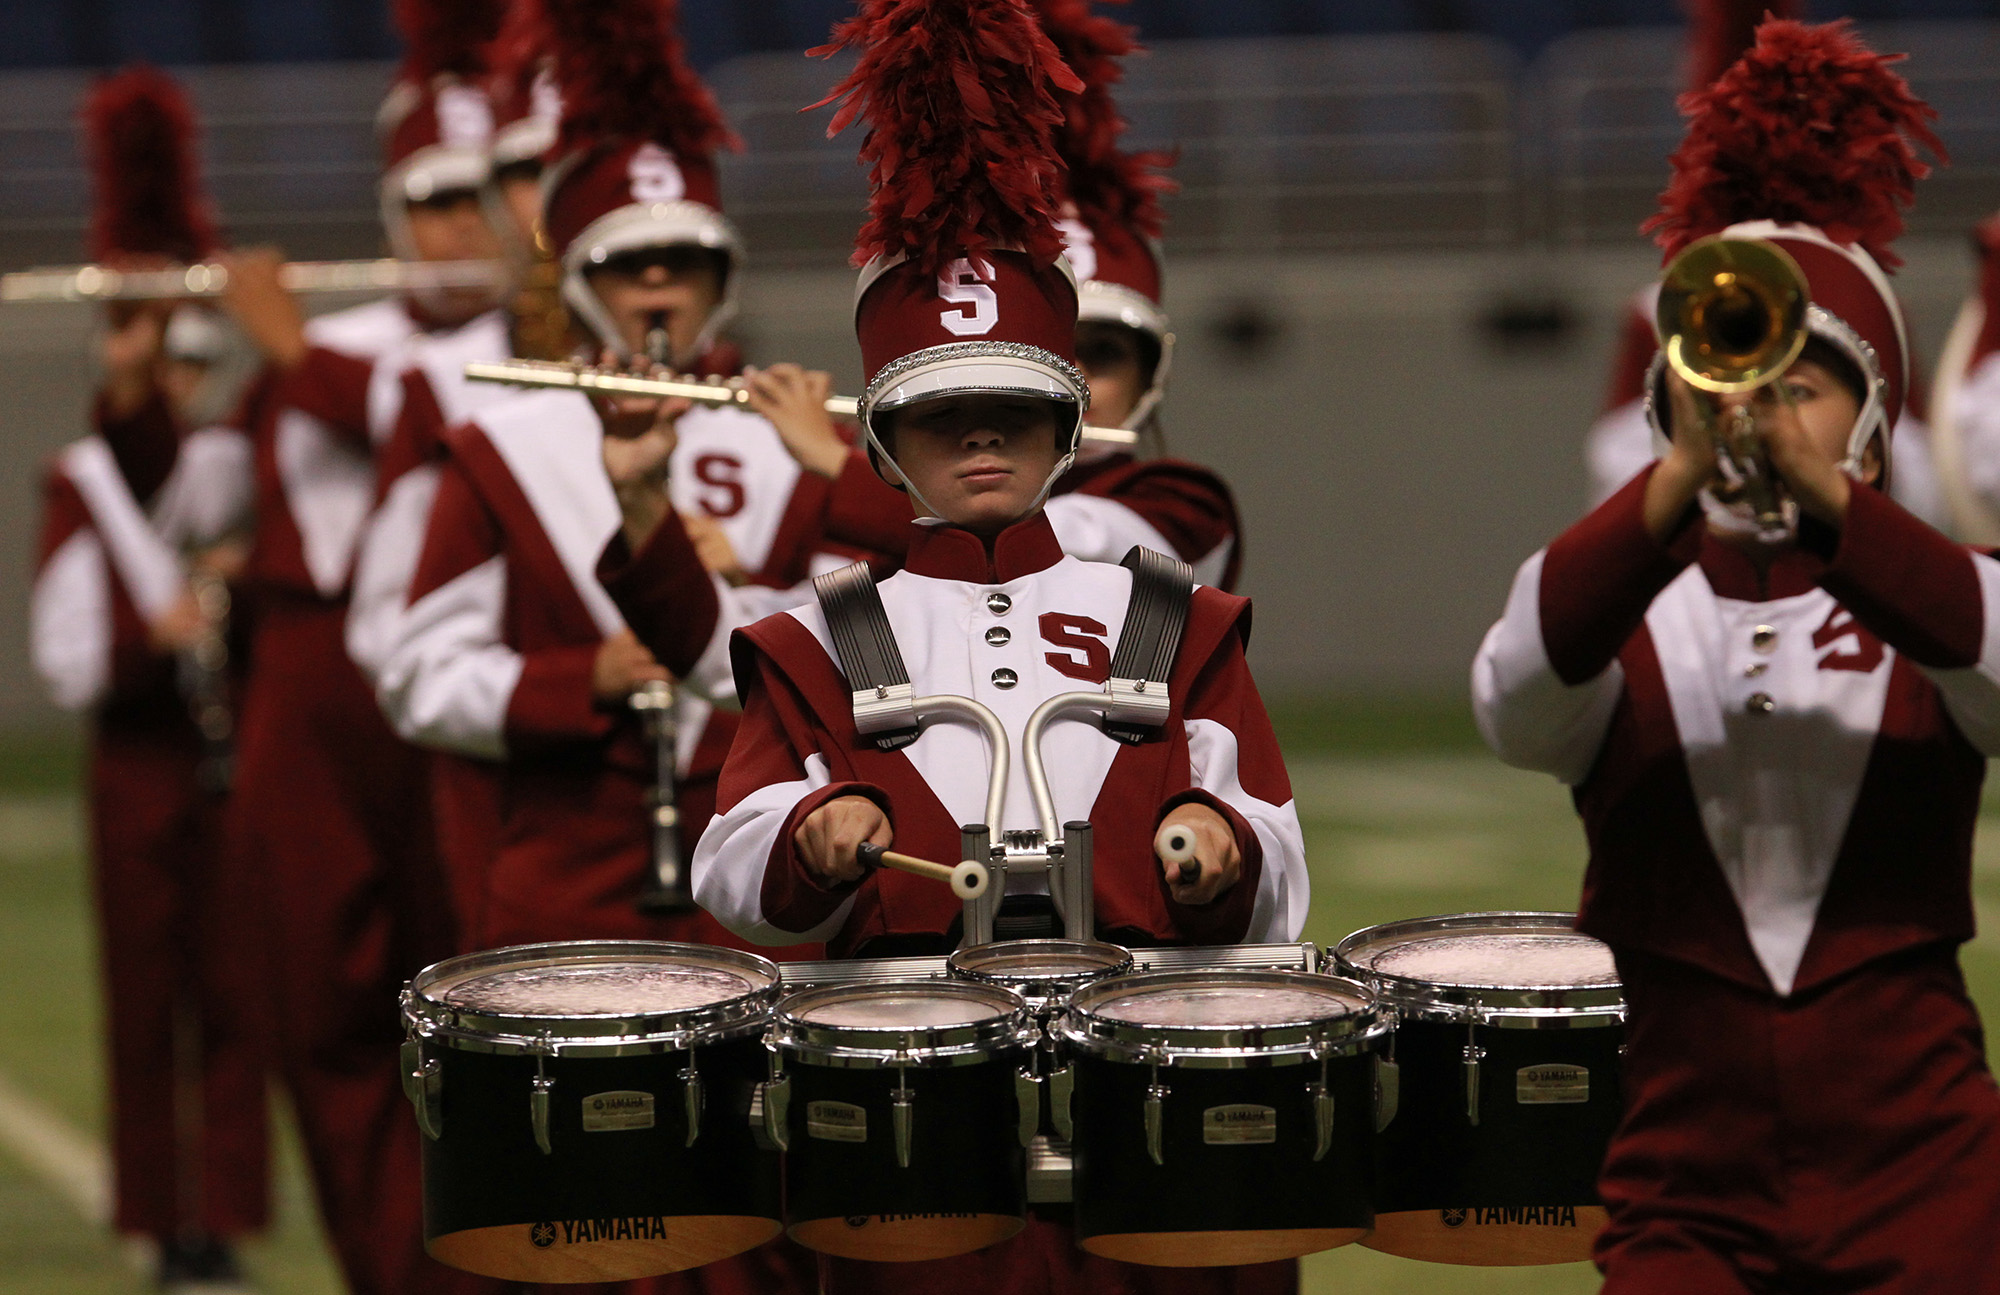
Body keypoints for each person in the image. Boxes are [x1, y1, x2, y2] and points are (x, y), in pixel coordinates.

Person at [667, 3, 1303, 1288]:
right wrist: (810, 832)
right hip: (910, 1125)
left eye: (1012, 411)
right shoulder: (816, 634)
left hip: (1148, 1106)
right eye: (941, 413)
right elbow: (729, 859)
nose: (977, 438)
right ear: (881, 441)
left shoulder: (1168, 615)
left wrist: (1222, 845)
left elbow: (1279, 859)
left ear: (1066, 427)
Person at [1472, 21, 2000, 1292]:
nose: (1761, 412)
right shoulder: (1615, 609)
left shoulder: (1941, 598)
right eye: (1724, 384)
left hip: (1923, 1167)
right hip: (1681, 1181)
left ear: (1871, 423)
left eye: (1803, 386)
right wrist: (1676, 482)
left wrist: (1831, 508)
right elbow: (1513, 697)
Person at [379, 0, 847, 969]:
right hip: (567, 877)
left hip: (768, 882)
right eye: (630, 264)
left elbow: (875, 649)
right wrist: (575, 680)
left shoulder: (803, 436)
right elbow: (417, 672)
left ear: (723, 276)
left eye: (687, 262)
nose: (659, 287)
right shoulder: (499, 446)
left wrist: (743, 601)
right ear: (584, 280)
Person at [208, 1, 514, 1288]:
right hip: (306, 688)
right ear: (394, 214)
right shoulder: (335, 342)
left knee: (473, 992)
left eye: (479, 200)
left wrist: (287, 349)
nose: (459, 229)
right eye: (432, 203)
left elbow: (432, 419)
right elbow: (210, 506)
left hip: (453, 692)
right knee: (318, 989)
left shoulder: (526, 346)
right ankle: (376, 1263)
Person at [28, 66, 267, 1294]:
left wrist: (236, 595)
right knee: (141, 1000)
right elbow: (67, 653)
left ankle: (218, 1214)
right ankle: (155, 1212)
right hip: (135, 761)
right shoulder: (83, 479)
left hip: (224, 764)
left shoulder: (231, 459)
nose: (171, 377)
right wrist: (155, 634)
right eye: (150, 353)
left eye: (184, 355)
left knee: (231, 997)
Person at [761, 0, 1242, 592]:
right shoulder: (882, 524)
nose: (1069, 376)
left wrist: (836, 464)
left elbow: (1038, 544)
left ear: (1150, 378)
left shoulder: (1185, 505)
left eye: (1101, 354)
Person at [1579, 0, 1948, 530]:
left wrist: (1822, 487)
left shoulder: (1866, 305)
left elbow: (1918, 480)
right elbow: (1618, 483)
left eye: (1797, 390)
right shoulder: (1657, 313)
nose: (1753, 406)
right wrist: (1690, 473)